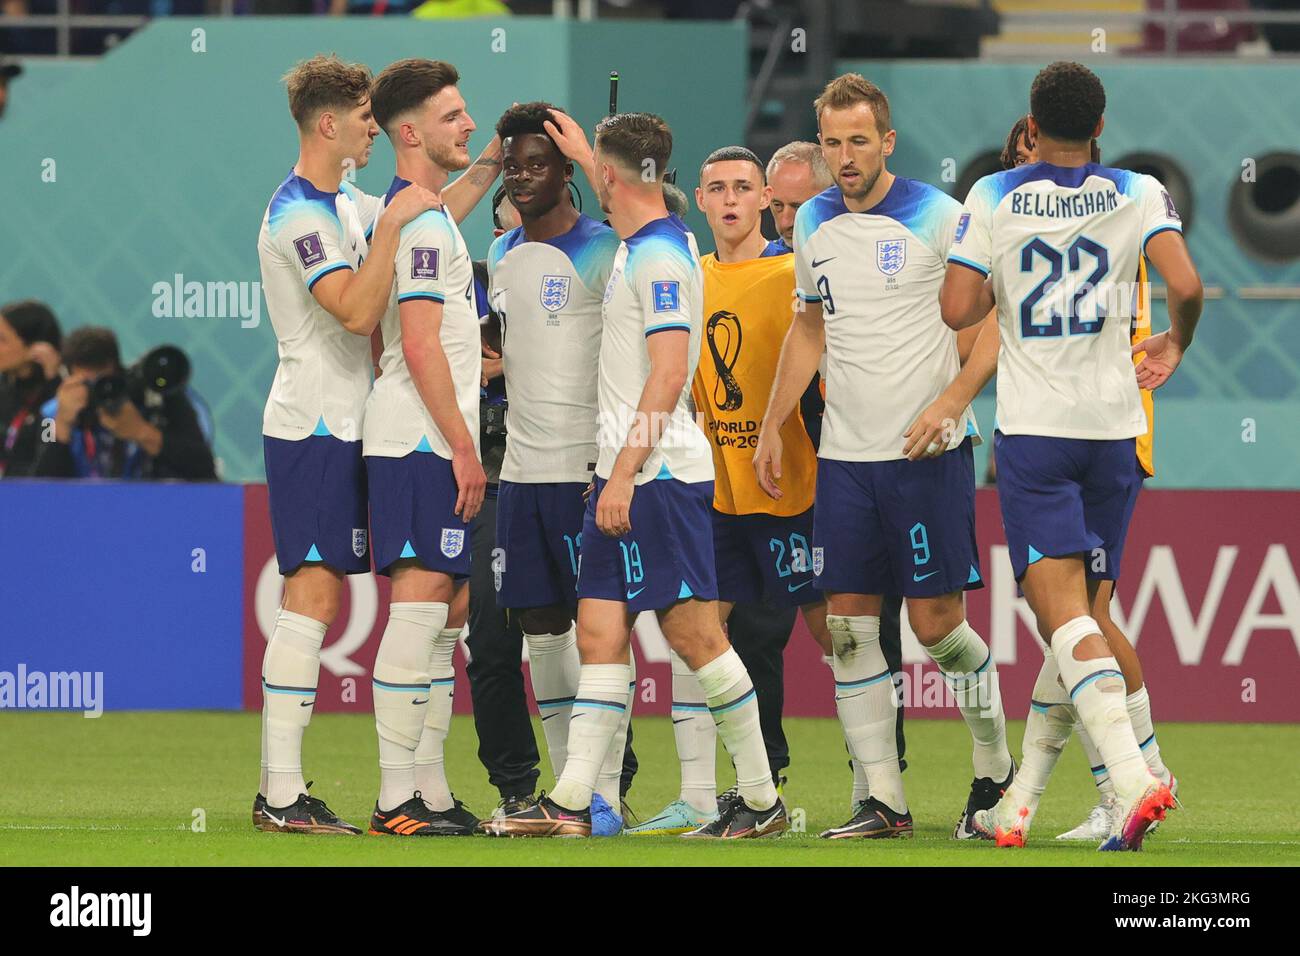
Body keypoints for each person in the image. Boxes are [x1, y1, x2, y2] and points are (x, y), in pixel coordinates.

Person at [490, 110, 787, 839]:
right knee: (598, 633)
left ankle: (760, 800)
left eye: (596, 165)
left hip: (660, 475)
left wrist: (621, 473)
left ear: (610, 175)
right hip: (621, 475)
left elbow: (669, 373)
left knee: (697, 638)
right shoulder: (644, 242)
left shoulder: (657, 257)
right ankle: (571, 801)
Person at [940, 61, 1200, 850]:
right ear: (1101, 123)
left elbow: (957, 307)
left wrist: (1003, 280)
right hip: (1117, 433)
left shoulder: (993, 194)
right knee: (1080, 618)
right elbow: (1187, 286)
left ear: (1031, 122)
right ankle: (1025, 801)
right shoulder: (1139, 190)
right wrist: (1175, 342)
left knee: (1067, 621)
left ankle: (1133, 781)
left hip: (1038, 434)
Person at [755, 73, 1014, 840]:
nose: (846, 156)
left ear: (888, 142)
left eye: (859, 141)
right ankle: (883, 800)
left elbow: (990, 328)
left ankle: (994, 768)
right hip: (845, 459)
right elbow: (809, 326)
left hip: (924, 456)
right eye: (833, 142)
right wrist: (773, 424)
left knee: (937, 628)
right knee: (848, 629)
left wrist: (951, 403)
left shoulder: (942, 216)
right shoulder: (812, 221)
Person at [254, 54, 441, 835]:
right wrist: (393, 227)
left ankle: (286, 792)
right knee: (314, 593)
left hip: (350, 424)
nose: (374, 128)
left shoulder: (345, 202)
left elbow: (425, 210)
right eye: (365, 117)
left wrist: (490, 161)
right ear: (327, 124)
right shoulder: (299, 215)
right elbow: (358, 314)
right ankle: (279, 795)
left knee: (323, 593)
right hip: (312, 424)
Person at [627, 146, 828, 835]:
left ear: (766, 199)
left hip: (793, 485)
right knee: (705, 630)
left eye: (745, 187)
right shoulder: (689, 275)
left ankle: (878, 789)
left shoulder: (793, 272)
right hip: (711, 489)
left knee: (838, 631)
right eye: (718, 188)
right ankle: (717, 793)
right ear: (702, 199)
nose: (732, 199)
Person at [994, 116, 1180, 843]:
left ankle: (1134, 779)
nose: (1027, 169)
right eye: (1017, 158)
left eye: (1031, 153)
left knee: (1083, 619)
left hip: (1097, 427)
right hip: (1086, 427)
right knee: (1069, 624)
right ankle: (1114, 784)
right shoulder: (1117, 206)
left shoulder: (1097, 217)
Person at [485, 102, 647, 834]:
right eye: (512, 164)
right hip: (520, 474)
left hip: (588, 471)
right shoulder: (502, 254)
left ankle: (603, 795)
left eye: (537, 163)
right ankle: (565, 800)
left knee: (599, 635)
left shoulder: (608, 249)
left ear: (567, 172)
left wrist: (616, 465)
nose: (521, 176)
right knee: (542, 631)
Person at [361, 57, 494, 837]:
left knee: (446, 609)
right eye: (453, 116)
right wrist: (463, 448)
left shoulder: (426, 213)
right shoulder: (417, 222)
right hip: (419, 440)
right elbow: (416, 344)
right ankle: (394, 800)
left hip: (424, 437)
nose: (468, 123)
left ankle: (431, 793)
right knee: (420, 605)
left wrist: (491, 162)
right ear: (409, 133)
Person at [768, 140, 910, 800]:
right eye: (777, 206)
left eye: (797, 205)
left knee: (864, 622)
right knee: (761, 624)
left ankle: (878, 776)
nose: (786, 219)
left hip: (855, 455)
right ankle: (759, 786)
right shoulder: (749, 267)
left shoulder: (866, 248)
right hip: (777, 471)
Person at [33, 326, 215, 481]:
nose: (97, 394)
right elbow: (37, 489)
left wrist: (142, 432)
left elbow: (204, 469)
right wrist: (61, 427)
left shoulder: (155, 401)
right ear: (67, 378)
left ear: (118, 370)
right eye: (86, 385)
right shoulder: (50, 416)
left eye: (103, 383)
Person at [0, 299, 61, 477]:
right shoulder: (4, 391)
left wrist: (53, 382)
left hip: (37, 490)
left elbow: (50, 444)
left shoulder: (56, 397)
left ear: (35, 347)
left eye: (2, 339)